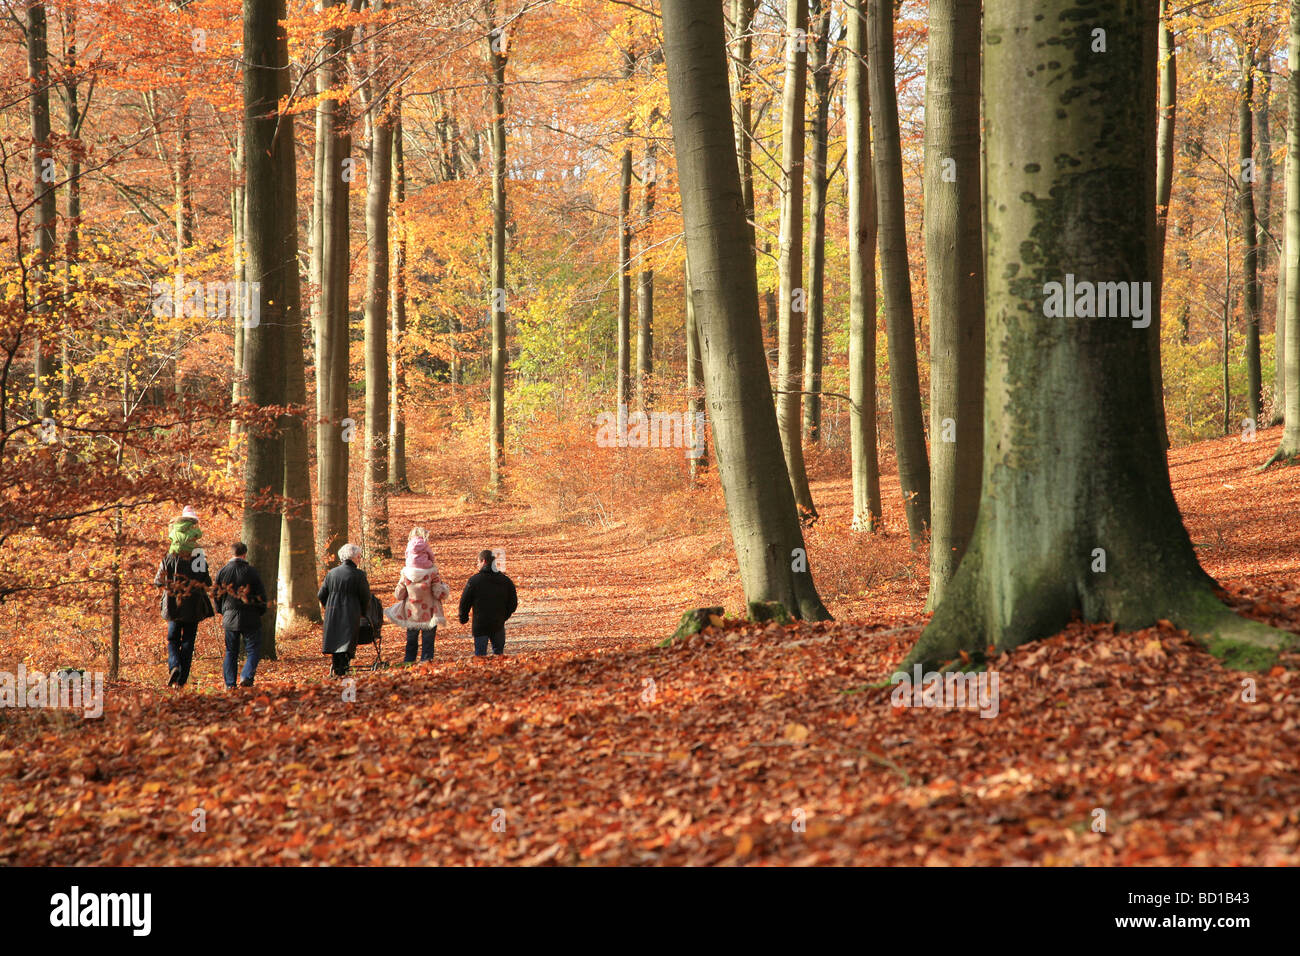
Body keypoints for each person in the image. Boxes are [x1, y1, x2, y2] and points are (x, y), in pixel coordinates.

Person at [154, 508, 214, 687]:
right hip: (193, 605)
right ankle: (181, 681)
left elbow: (158, 581)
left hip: (173, 605)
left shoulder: (169, 556)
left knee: (172, 639)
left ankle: (174, 666)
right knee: (188, 640)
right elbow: (207, 581)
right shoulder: (198, 555)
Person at [385, 527, 451, 663]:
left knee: (411, 641)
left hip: (412, 612)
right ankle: (425, 663)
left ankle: (409, 663)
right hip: (429, 611)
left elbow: (399, 594)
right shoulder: (432, 573)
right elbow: (438, 593)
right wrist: (445, 588)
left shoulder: (405, 573)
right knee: (428, 641)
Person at [213, 541, 267, 689]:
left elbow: (216, 595)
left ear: (232, 553)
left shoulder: (222, 572)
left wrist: (222, 611)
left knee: (231, 651)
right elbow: (261, 595)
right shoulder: (252, 572)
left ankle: (230, 684)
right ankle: (246, 675)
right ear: (245, 554)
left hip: (229, 616)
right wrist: (261, 611)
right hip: (251, 616)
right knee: (253, 649)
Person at [319, 543, 371, 678]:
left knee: (335, 639)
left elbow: (321, 594)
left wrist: (328, 606)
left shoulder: (331, 573)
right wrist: (363, 612)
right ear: (353, 558)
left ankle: (338, 670)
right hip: (351, 611)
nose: (360, 559)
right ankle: (343, 670)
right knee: (347, 640)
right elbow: (365, 596)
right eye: (359, 556)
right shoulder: (359, 575)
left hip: (333, 611)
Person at [458, 549, 517, 657]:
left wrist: (463, 617)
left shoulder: (474, 581)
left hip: (480, 625)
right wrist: (504, 616)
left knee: (480, 657)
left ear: (484, 561)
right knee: (499, 655)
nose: (477, 565)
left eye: (478, 562)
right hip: (498, 624)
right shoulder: (505, 581)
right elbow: (513, 603)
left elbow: (465, 602)